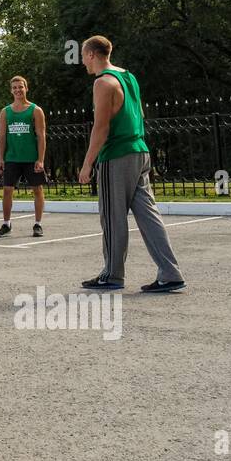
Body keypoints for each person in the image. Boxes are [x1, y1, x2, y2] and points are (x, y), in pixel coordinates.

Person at [77, 36, 186, 294]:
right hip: (140, 151)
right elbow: (139, 113)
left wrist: (87, 163)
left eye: (83, 56)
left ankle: (112, 274)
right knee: (149, 216)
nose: (83, 62)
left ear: (92, 54)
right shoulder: (128, 77)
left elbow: (101, 128)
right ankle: (170, 273)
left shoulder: (103, 83)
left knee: (113, 217)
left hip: (116, 155)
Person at [0, 76, 48, 239]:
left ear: (26, 88)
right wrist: (1, 158)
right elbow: (2, 136)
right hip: (12, 158)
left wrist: (40, 159)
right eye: (15, 88)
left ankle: (38, 224)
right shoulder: (5, 112)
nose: (18, 90)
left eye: (20, 87)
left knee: (37, 190)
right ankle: (6, 224)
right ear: (11, 90)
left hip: (31, 158)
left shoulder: (35, 110)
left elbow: (41, 135)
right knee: (7, 190)